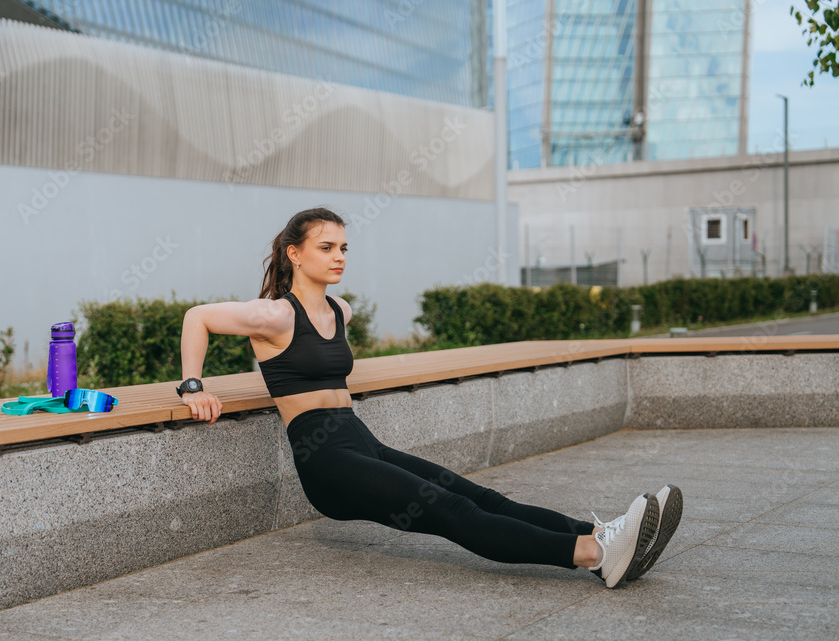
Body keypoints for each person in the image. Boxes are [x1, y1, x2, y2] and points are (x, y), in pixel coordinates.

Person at [177, 207, 682, 588]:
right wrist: (194, 385)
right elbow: (197, 316)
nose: (339, 258)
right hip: (324, 458)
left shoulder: (340, 310)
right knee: (451, 512)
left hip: (358, 440)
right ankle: (594, 555)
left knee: (480, 496)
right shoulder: (274, 316)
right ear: (295, 253)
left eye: (344, 248)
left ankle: (604, 533)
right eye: (327, 247)